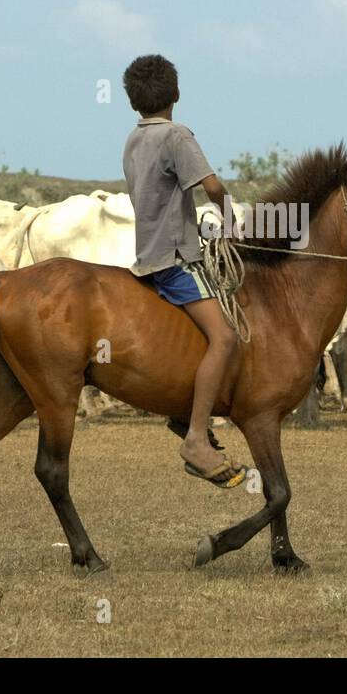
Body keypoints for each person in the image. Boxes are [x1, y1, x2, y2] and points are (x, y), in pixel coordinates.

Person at [121, 54, 247, 488]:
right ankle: (196, 437)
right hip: (177, 259)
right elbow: (212, 187)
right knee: (226, 337)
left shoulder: (132, 141)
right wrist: (230, 222)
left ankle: (182, 412)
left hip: (146, 258)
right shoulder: (177, 135)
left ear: (132, 101)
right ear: (176, 94)